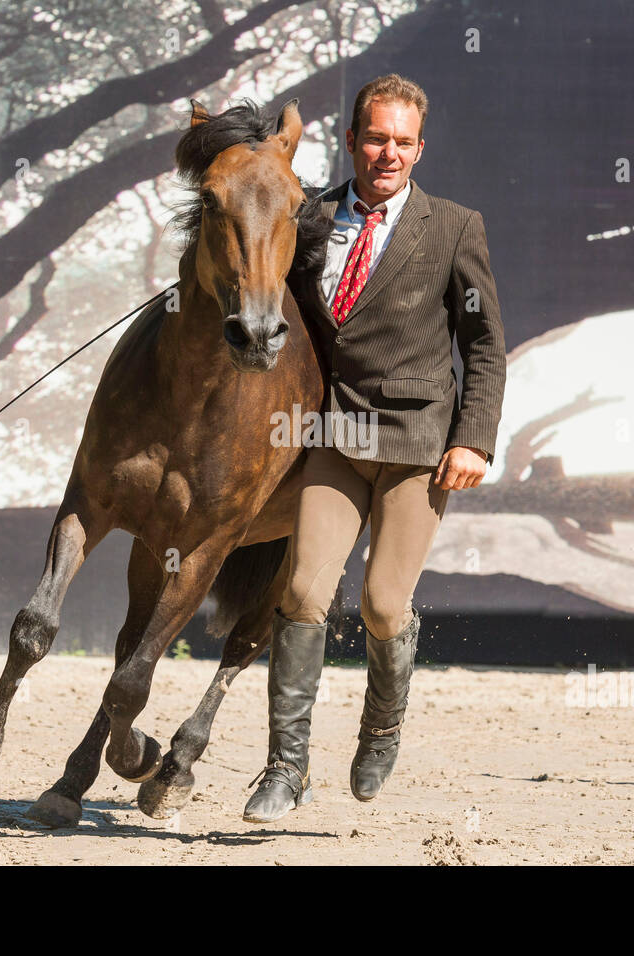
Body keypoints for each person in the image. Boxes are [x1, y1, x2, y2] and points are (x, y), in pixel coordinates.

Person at [243, 74, 507, 823]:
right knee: (300, 593)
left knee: (384, 607)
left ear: (419, 148)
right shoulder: (312, 217)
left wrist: (474, 440)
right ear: (353, 138)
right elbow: (270, 297)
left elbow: (485, 345)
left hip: (419, 443)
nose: (387, 151)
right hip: (337, 435)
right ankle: (285, 770)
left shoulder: (456, 227)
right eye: (375, 136)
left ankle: (382, 726)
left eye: (402, 140)